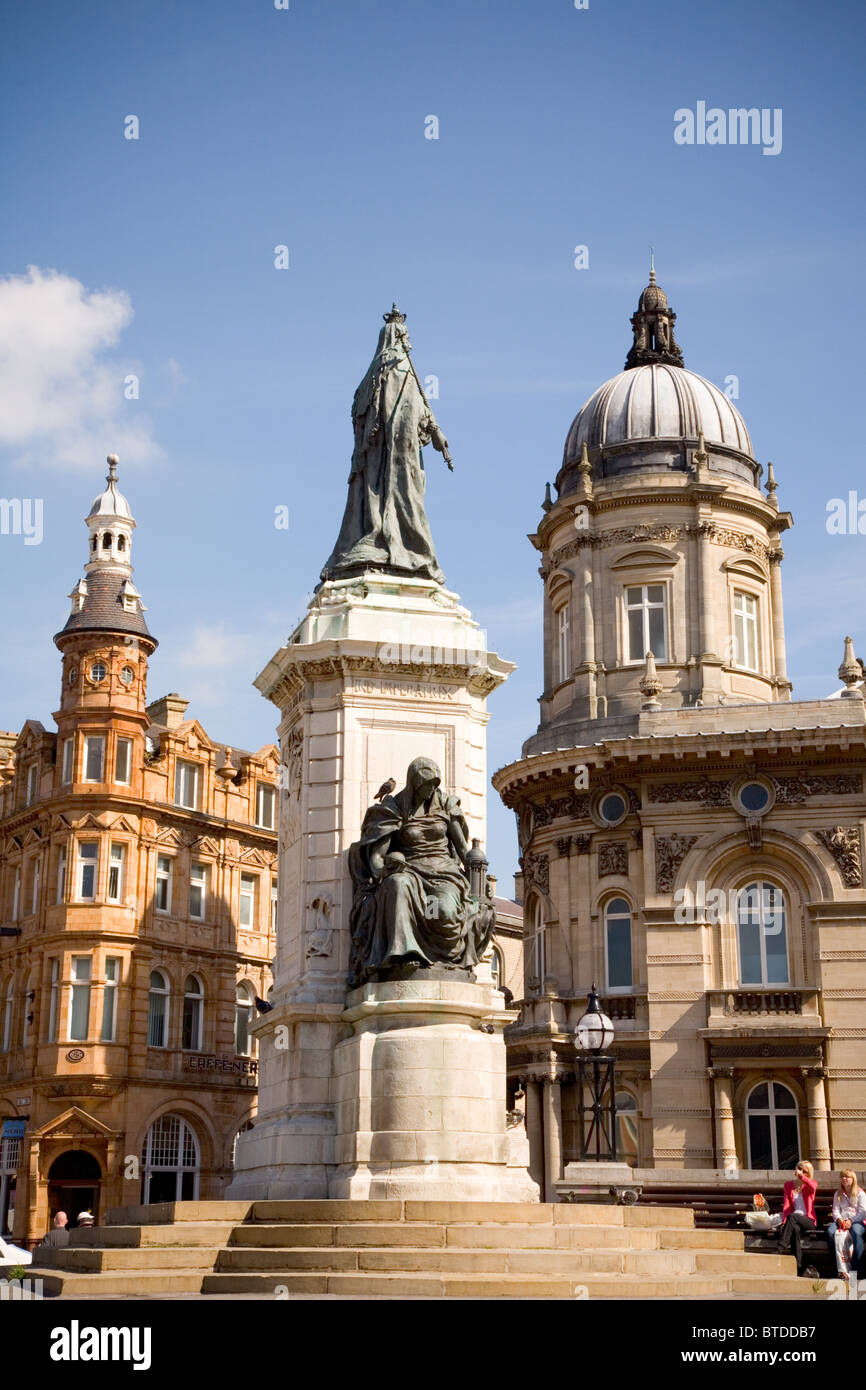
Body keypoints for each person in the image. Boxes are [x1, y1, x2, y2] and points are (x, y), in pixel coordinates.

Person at [825, 1170, 866, 1288]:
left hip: (857, 1221)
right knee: (830, 1232)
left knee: (856, 1233)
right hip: (841, 1221)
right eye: (842, 1177)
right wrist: (839, 1220)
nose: (844, 1179)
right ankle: (837, 1268)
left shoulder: (860, 1193)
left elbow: (863, 1212)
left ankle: (857, 1269)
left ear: (853, 1179)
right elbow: (835, 1210)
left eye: (847, 1177)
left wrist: (851, 1221)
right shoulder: (838, 1193)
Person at [778, 1159, 818, 1274]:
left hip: (808, 1221)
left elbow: (813, 1188)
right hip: (793, 1220)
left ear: (809, 1174)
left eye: (805, 1171)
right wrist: (784, 1222)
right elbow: (786, 1206)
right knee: (794, 1229)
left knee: (793, 1217)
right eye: (799, 1169)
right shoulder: (788, 1185)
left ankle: (780, 1248)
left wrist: (802, 1178)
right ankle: (799, 1267)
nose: (801, 1172)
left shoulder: (811, 1184)